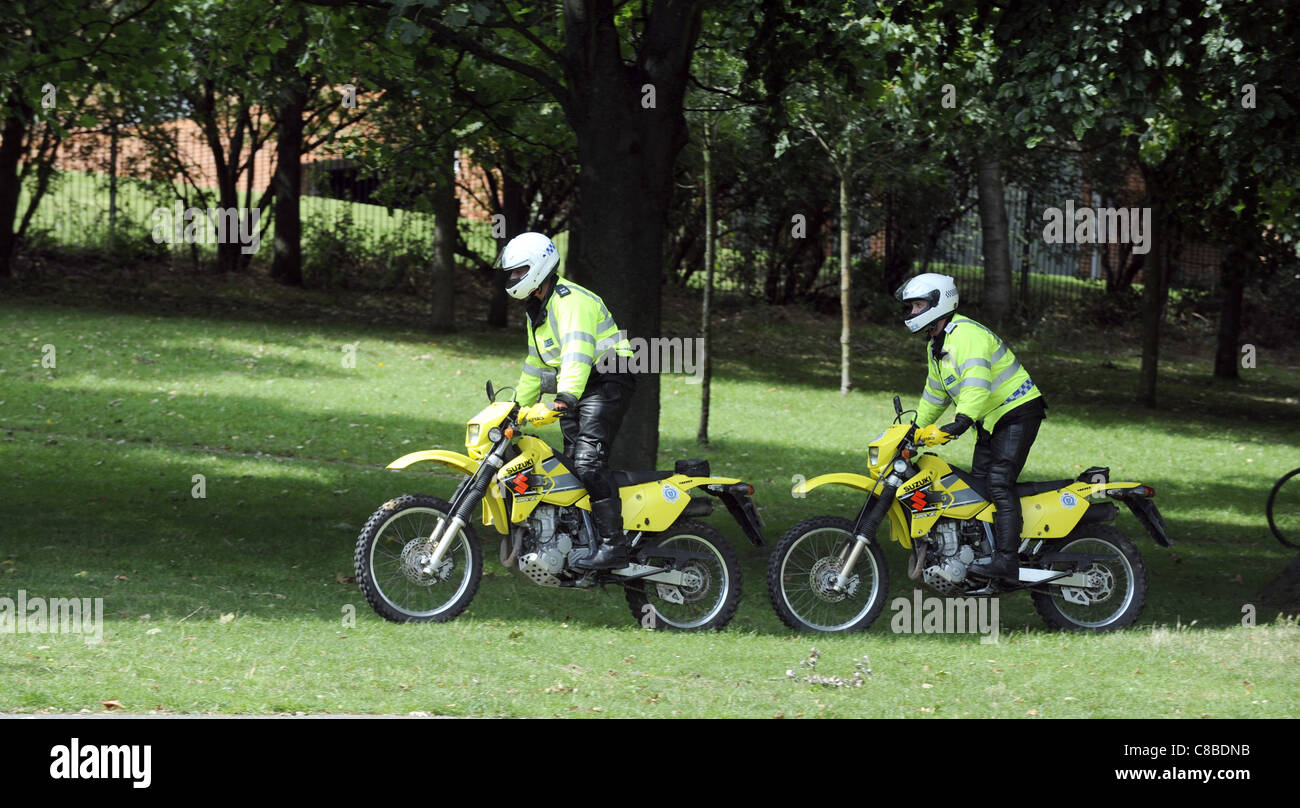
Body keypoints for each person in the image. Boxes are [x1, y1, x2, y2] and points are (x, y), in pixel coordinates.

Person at [895, 273, 1047, 580]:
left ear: (939, 303)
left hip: (1016, 412)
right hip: (991, 420)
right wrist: (913, 431)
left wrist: (960, 422)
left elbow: (977, 386)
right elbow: (935, 394)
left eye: (917, 305)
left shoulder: (966, 335)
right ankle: (981, 554)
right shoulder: (937, 344)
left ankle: (1007, 561)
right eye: (910, 307)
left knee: (999, 483)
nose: (912, 313)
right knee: (977, 488)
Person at [499, 232, 637, 570]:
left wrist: (564, 399)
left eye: (519, 272)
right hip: (580, 386)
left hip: (608, 379)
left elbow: (577, 355)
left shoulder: (570, 301)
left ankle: (614, 546)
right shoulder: (538, 311)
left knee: (588, 461)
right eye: (511, 273)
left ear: (538, 268)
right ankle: (580, 539)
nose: (513, 279)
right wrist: (514, 409)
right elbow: (535, 367)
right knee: (573, 466)